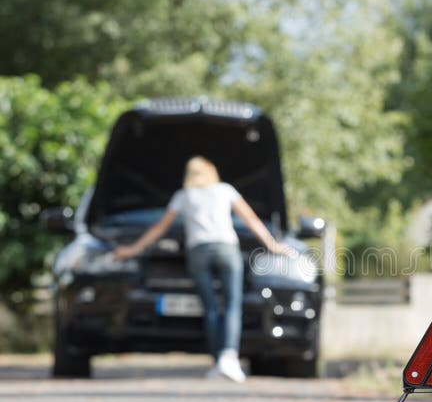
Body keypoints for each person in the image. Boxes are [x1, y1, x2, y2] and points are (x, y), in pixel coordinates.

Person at [114, 156, 296, 382]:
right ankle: (229, 359)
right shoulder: (225, 190)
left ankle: (217, 362)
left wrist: (132, 250)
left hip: (198, 251)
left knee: (210, 307)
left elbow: (160, 227)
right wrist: (272, 245)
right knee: (231, 305)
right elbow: (250, 218)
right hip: (226, 248)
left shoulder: (184, 196)